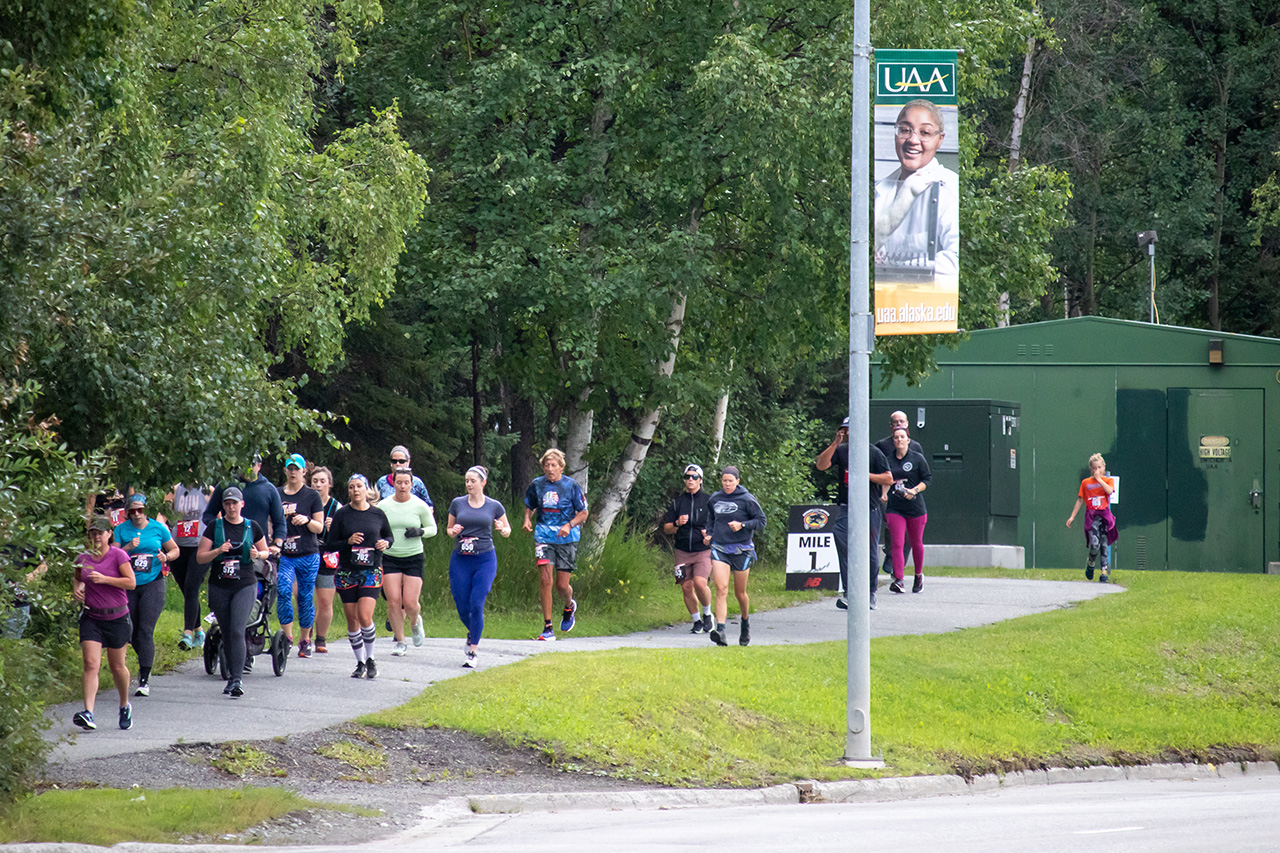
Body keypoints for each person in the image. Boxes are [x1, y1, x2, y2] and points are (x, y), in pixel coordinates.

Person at [874, 98, 959, 288]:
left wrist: (893, 269)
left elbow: (956, 259)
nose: (913, 140)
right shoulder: (879, 190)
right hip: (886, 309)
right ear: (895, 133)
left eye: (925, 132)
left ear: (940, 139)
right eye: (905, 130)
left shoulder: (949, 188)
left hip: (928, 307)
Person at [197, 487, 270, 698]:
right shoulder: (214, 527)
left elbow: (266, 551)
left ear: (242, 504)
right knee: (227, 631)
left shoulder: (251, 527)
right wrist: (218, 551)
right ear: (223, 506)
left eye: (234, 503)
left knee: (238, 629)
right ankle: (230, 675)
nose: (231, 507)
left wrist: (258, 553)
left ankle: (237, 679)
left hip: (244, 584)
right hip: (220, 585)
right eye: (227, 503)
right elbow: (201, 557)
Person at [816, 417, 894, 610]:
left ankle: (870, 593)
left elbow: (888, 478)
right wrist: (835, 443)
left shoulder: (873, 452)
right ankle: (850, 592)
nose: (848, 433)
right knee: (842, 540)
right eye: (845, 430)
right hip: (846, 506)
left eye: (851, 430)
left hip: (869, 507)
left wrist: (863, 475)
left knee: (869, 550)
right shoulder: (842, 450)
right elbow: (821, 465)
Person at [73, 514, 137, 730]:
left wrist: (106, 579)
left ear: (109, 534)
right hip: (92, 617)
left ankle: (124, 704)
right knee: (91, 664)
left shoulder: (118, 556)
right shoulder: (83, 558)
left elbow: (131, 583)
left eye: (100, 533)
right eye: (92, 533)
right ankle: (89, 713)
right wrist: (77, 589)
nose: (96, 537)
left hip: (117, 617)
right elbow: (78, 577)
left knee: (117, 667)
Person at [112, 493, 179, 697]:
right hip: (129, 584)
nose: (137, 514)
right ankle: (145, 660)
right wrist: (127, 548)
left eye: (141, 509)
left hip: (153, 582)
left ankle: (144, 678)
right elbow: (112, 557)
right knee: (130, 631)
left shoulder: (158, 528)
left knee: (146, 630)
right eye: (133, 510)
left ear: (146, 510)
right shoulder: (121, 530)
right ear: (127, 512)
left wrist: (165, 556)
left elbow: (175, 550)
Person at [327, 474, 392, 679]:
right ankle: (360, 662)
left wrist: (386, 543)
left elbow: (389, 535)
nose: (356, 490)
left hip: (371, 570)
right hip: (347, 571)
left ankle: (371, 658)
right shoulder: (342, 515)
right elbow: (329, 544)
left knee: (365, 615)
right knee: (352, 619)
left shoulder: (378, 514)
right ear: (349, 491)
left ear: (366, 490)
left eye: (359, 486)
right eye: (352, 487)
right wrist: (348, 541)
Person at [446, 466, 511, 667]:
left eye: (472, 481)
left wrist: (502, 529)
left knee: (476, 603)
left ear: (483, 483)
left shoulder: (494, 506)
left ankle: (473, 651)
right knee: (462, 605)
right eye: (466, 481)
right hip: (461, 559)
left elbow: (507, 529)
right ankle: (472, 631)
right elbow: (449, 530)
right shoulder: (457, 503)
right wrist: (453, 530)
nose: (469, 484)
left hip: (484, 559)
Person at [523, 448, 589, 641]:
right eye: (546, 465)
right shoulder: (537, 485)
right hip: (543, 536)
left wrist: (569, 525)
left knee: (562, 585)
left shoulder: (571, 486)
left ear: (561, 467)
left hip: (566, 538)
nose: (549, 469)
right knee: (545, 580)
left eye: (553, 465)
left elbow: (583, 512)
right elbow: (530, 505)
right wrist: (527, 519)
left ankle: (569, 605)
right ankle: (547, 627)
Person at [704, 465, 766, 647]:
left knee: (740, 593)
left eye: (731, 481)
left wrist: (742, 525)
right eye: (724, 481)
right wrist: (709, 533)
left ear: (738, 481)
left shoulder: (747, 499)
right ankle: (721, 630)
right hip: (719, 547)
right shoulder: (715, 498)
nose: (727, 484)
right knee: (721, 588)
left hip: (742, 549)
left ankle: (745, 623)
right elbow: (710, 518)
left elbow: (761, 521)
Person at [380, 468, 437, 655]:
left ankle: (415, 621)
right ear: (393, 484)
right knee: (393, 601)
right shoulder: (384, 506)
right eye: (399, 483)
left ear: (412, 485)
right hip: (390, 557)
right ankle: (400, 642)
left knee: (410, 603)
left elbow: (432, 528)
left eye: (406, 483)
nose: (402, 486)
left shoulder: (419, 505)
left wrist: (420, 532)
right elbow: (376, 527)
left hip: (413, 557)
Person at [277, 453, 324, 657]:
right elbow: (272, 522)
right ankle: (287, 637)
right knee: (283, 590)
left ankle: (305, 639)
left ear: (304, 471)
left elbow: (319, 527)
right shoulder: (277, 494)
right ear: (286, 470)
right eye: (290, 468)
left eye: (297, 468)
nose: (293, 471)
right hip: (286, 554)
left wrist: (305, 520)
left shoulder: (311, 496)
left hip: (308, 553)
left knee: (305, 597)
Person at [661, 464, 713, 632]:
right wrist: (677, 523)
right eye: (688, 477)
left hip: (702, 550)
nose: (690, 480)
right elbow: (667, 528)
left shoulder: (708, 501)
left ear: (700, 480)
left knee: (700, 582)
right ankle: (697, 621)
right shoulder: (678, 502)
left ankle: (707, 614)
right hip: (682, 551)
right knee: (686, 587)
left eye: (694, 477)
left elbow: (719, 525)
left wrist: (710, 536)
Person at [204, 454, 286, 558]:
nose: (247, 468)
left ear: (259, 466)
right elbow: (208, 515)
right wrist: (219, 533)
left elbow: (279, 521)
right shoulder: (226, 485)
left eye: (251, 465)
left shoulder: (269, 489)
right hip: (227, 550)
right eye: (243, 464)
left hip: (256, 550)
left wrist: (277, 545)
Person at [875, 411, 923, 575]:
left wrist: (915, 491)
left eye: (901, 421)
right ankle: (891, 554)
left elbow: (920, 472)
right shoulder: (882, 445)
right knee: (891, 526)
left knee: (910, 531)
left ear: (907, 424)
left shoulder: (915, 447)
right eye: (895, 422)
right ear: (891, 426)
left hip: (910, 494)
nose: (898, 424)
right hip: (889, 493)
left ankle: (900, 561)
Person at [885, 427, 931, 594]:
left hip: (915, 507)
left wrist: (914, 491)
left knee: (916, 542)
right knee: (897, 543)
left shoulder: (917, 458)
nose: (899, 440)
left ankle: (918, 575)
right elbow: (885, 479)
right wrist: (884, 493)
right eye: (896, 437)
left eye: (902, 437)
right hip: (895, 508)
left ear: (908, 440)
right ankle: (899, 579)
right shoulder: (888, 460)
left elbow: (927, 479)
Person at [167, 482, 211, 650]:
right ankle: (199, 630)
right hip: (178, 546)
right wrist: (161, 527)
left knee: (192, 587)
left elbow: (216, 516)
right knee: (186, 589)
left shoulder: (208, 490)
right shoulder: (175, 490)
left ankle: (188, 635)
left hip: (201, 546)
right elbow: (161, 514)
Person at [1066, 453, 1117, 583]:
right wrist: (1072, 516)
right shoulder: (1086, 483)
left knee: (1104, 544)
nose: (1097, 471)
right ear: (1090, 469)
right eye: (1094, 468)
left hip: (1104, 516)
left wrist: (1100, 479)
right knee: (1095, 544)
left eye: (1099, 467)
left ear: (1103, 467)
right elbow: (1080, 500)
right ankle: (1091, 563)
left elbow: (1109, 491)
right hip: (1092, 516)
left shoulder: (1107, 480)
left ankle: (1104, 572)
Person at [309, 466, 342, 654]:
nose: (318, 485)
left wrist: (334, 528)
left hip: (327, 554)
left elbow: (346, 535)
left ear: (329, 484)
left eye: (322, 481)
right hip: (305, 552)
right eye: (315, 481)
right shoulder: (305, 502)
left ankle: (321, 638)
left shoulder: (336, 507)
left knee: (325, 600)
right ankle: (307, 629)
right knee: (303, 596)